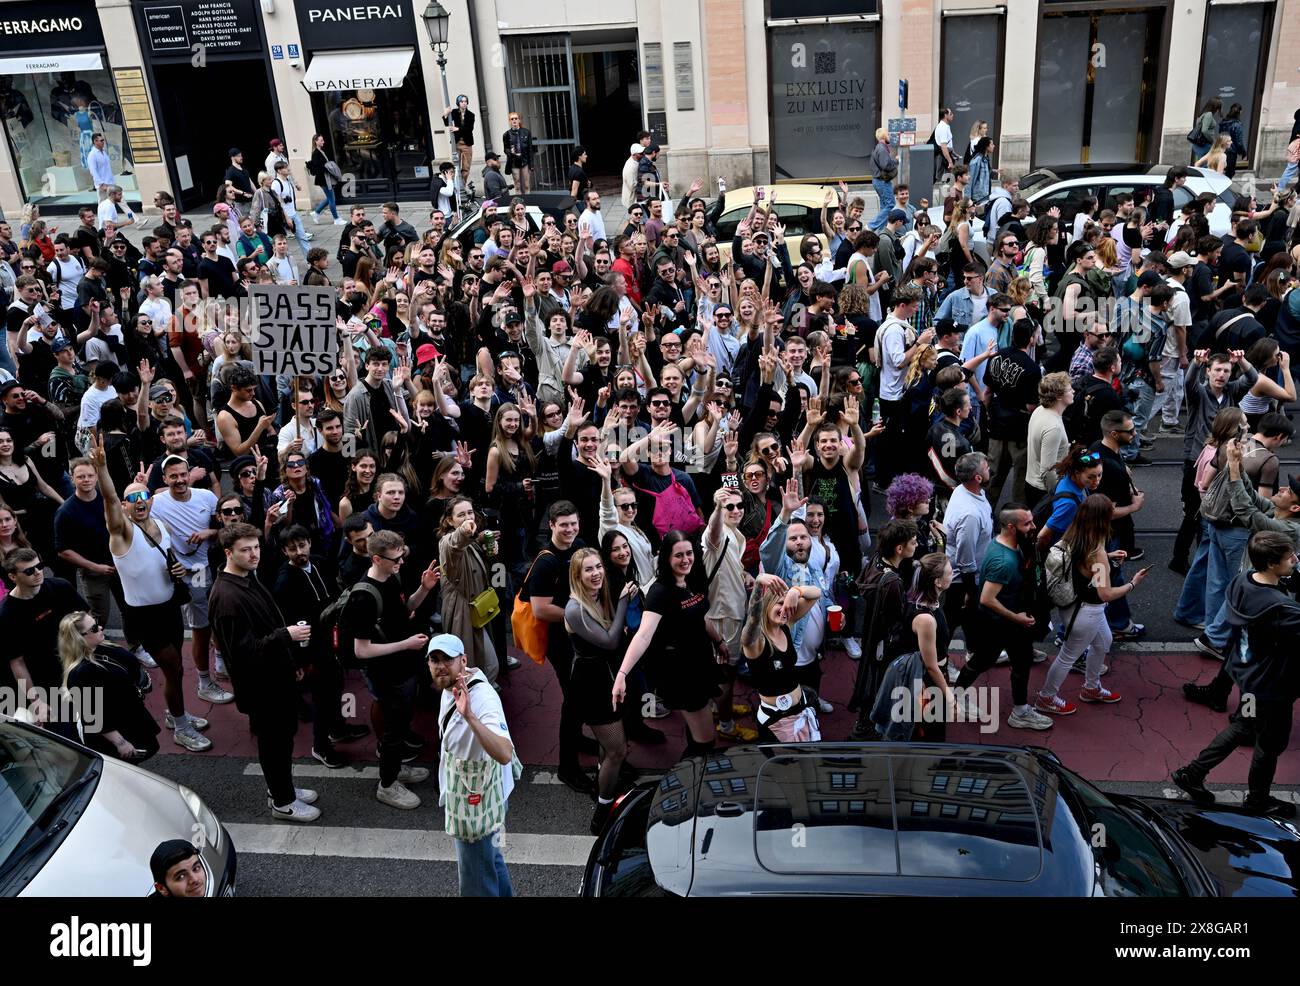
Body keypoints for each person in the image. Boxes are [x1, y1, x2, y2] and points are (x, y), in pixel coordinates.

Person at [1173, 531, 1300, 819]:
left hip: (1247, 674)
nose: (1294, 560)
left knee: (1244, 725)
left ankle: (1193, 773)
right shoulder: (1281, 608)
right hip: (1272, 686)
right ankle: (1258, 801)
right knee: (1269, 744)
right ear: (1270, 564)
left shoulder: (1244, 581)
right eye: (1289, 557)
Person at [613, 530, 730, 760]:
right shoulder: (660, 592)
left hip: (701, 660)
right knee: (706, 740)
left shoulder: (692, 579)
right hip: (684, 672)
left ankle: (693, 770)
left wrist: (718, 640)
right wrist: (622, 674)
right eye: (678, 555)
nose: (685, 559)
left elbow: (700, 615)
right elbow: (643, 636)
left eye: (689, 553)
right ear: (666, 558)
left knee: (698, 730)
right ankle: (689, 779)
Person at [344, 529, 437, 809]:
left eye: (402, 556)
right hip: (386, 673)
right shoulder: (364, 597)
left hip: (404, 667)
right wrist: (406, 644)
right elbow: (362, 650)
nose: (401, 563)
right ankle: (387, 784)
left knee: (403, 721)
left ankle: (395, 768)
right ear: (376, 558)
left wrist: (424, 588)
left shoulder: (391, 577)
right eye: (395, 559)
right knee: (394, 729)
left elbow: (405, 608)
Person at [1034, 494, 1148, 718]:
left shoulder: (1075, 534)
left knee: (1104, 641)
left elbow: (1086, 563)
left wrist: (1108, 556)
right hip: (1087, 612)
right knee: (1068, 655)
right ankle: (1046, 697)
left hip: (1073, 605)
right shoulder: (1096, 552)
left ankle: (1092, 687)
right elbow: (1105, 593)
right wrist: (1133, 584)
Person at [429, 633, 518, 896]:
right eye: (434, 660)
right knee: (489, 861)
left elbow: (504, 752)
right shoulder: (450, 686)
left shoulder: (482, 698)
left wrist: (470, 717)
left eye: (448, 659)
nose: (440, 666)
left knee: (474, 881)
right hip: (475, 792)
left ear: (463, 661)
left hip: (477, 800)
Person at [274, 524, 369, 769]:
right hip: (312, 648)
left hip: (333, 638)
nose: (299, 551)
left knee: (336, 685)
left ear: (309, 543)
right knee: (321, 696)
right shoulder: (285, 582)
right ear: (285, 551)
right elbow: (288, 624)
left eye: (302, 545)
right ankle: (321, 746)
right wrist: (299, 661)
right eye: (292, 548)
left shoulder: (319, 562)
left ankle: (337, 728)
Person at [956, 503, 1055, 731]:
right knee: (998, 661)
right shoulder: (1004, 562)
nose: (1034, 526)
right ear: (1011, 527)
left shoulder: (1012, 544)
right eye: (1027, 523)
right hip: (1003, 624)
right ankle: (1019, 713)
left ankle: (959, 695)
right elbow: (987, 599)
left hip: (1005, 623)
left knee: (1003, 660)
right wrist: (1017, 618)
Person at [563, 547, 636, 832]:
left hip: (605, 679)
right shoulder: (575, 608)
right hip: (591, 685)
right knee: (617, 751)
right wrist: (621, 605)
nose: (596, 574)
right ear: (577, 575)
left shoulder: (595, 597)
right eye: (588, 570)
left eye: (598, 568)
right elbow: (609, 641)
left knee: (611, 748)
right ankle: (602, 813)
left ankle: (602, 787)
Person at [60, 609, 159, 762]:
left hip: (129, 716)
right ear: (79, 638)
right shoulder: (81, 673)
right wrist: (121, 743)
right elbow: (93, 716)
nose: (100, 628)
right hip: (115, 729)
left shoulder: (103, 646)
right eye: (93, 628)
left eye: (96, 623)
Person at [437, 496, 501, 684]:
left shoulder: (471, 540)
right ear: (450, 520)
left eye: (470, 512)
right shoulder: (447, 542)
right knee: (473, 667)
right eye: (461, 515)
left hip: (476, 610)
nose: (468, 518)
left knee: (484, 663)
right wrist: (464, 532)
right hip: (461, 612)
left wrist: (480, 541)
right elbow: (453, 546)